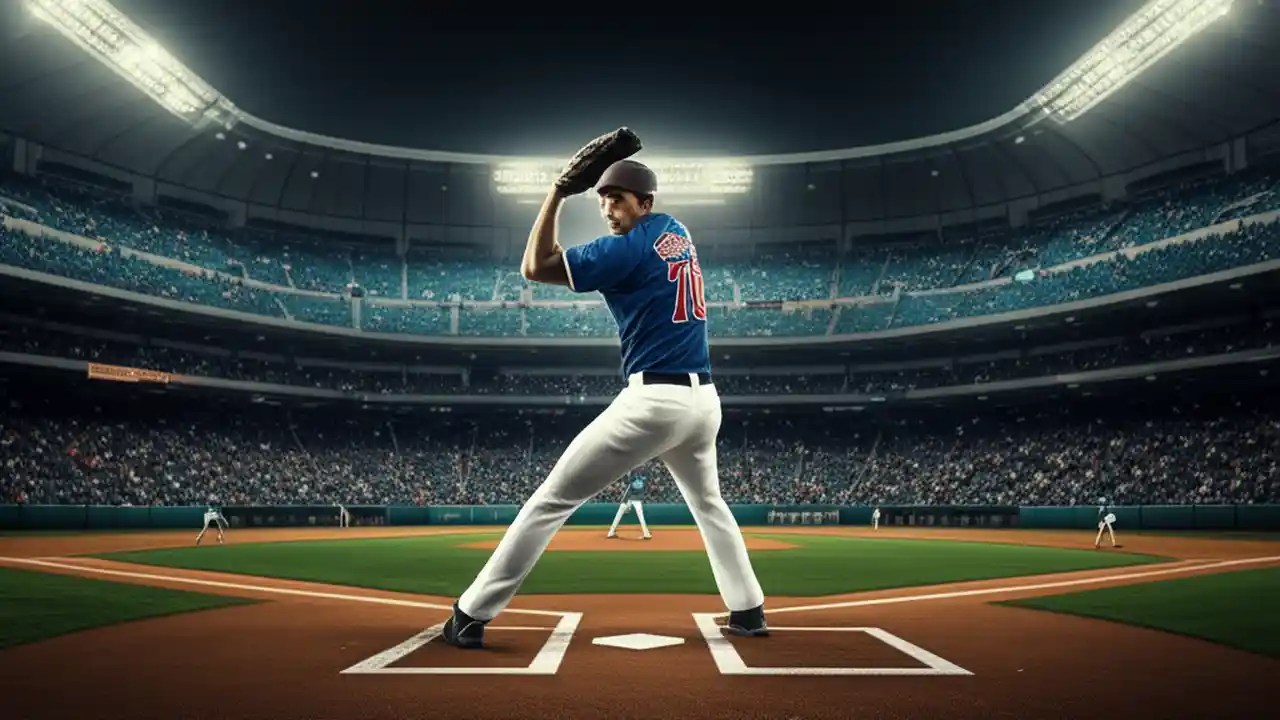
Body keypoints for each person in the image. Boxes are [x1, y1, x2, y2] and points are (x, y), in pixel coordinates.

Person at [440, 156, 768, 649]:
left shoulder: (625, 251)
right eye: (602, 199)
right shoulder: (675, 230)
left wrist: (556, 191)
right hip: (703, 404)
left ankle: (470, 614)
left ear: (645, 202)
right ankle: (748, 609)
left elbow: (534, 266)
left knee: (550, 501)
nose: (608, 208)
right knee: (709, 505)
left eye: (617, 198)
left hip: (655, 400)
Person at [607, 474, 652, 540]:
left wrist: (623, 500)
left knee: (619, 514)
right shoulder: (643, 479)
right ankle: (646, 533)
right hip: (636, 499)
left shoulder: (632, 479)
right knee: (640, 516)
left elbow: (627, 487)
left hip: (629, 498)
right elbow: (644, 487)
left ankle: (611, 532)